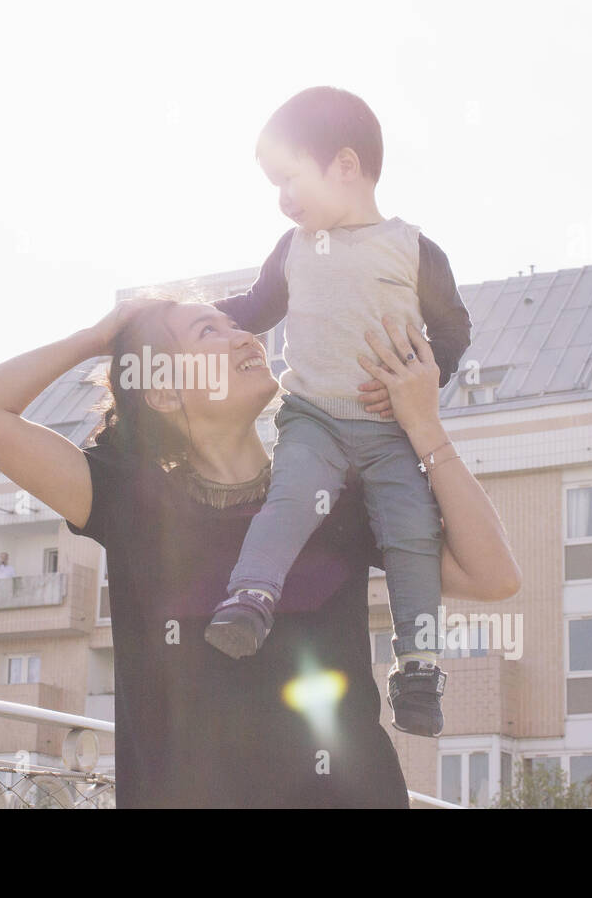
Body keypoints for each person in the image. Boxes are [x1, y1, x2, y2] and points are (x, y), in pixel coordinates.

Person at [0, 297, 520, 808]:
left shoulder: (334, 497)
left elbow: (492, 575)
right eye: (207, 333)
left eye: (236, 326)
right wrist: (99, 336)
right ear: (164, 389)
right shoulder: (128, 500)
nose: (248, 337)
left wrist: (424, 425)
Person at [205, 86, 472, 739]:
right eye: (275, 185)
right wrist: (193, 315)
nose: (283, 198)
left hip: (392, 432)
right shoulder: (293, 248)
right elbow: (256, 306)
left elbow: (454, 329)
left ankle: (418, 665)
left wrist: (422, 376)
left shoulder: (413, 251)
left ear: (345, 166)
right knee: (290, 497)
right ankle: (251, 596)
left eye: (289, 178)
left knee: (413, 533)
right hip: (314, 420)